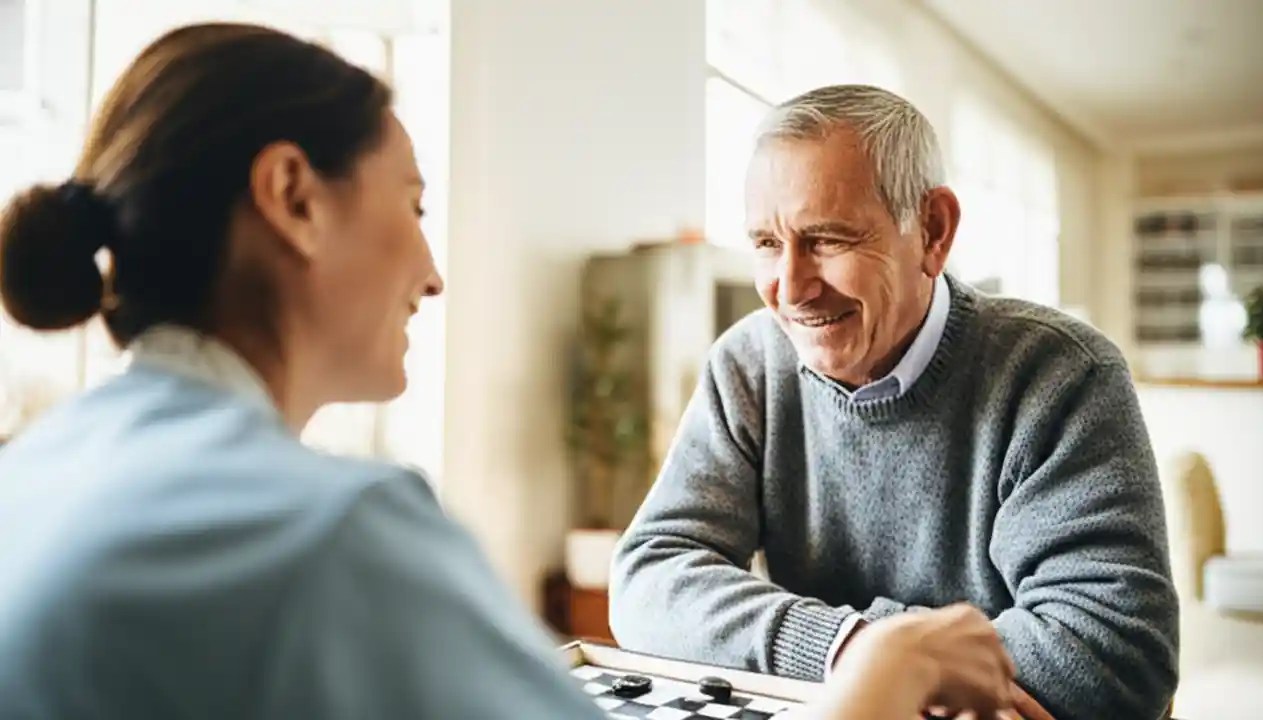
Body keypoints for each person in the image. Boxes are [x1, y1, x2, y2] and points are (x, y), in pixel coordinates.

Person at [0, 24, 1017, 720]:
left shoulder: (32, 472)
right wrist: (876, 678)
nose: (432, 273)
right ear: (292, 197)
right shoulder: (329, 532)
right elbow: (651, 577)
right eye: (411, 205)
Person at [609, 84, 1179, 720]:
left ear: (932, 232)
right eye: (767, 244)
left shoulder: (1061, 373)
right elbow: (648, 583)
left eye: (826, 239)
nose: (789, 289)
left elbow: (1113, 658)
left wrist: (886, 670)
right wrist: (856, 653)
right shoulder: (749, 363)